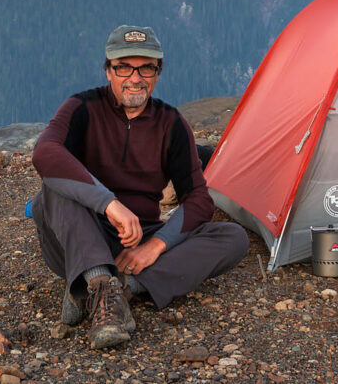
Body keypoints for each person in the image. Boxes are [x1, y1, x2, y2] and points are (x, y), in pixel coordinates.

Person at [30, 25, 249, 348]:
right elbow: (45, 154)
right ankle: (99, 282)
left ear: (157, 73)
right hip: (78, 236)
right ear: (108, 71)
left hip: (138, 240)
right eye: (123, 67)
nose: (135, 77)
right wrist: (109, 204)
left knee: (233, 237)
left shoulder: (171, 123)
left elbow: (198, 198)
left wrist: (156, 245)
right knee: (54, 189)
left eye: (146, 67)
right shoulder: (81, 109)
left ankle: (119, 290)